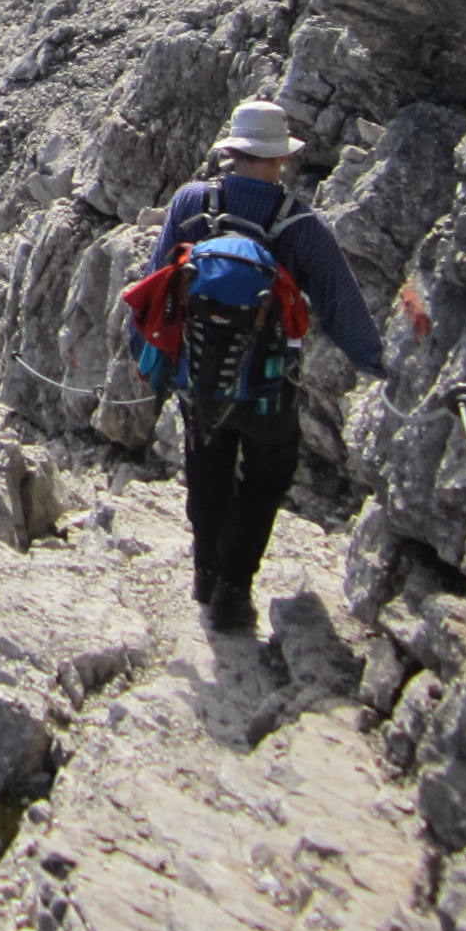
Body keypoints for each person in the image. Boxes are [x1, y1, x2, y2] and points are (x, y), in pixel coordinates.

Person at [150, 98, 388, 635]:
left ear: (232, 150)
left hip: (199, 375)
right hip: (268, 385)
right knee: (267, 474)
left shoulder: (192, 201)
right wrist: (379, 365)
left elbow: (156, 284)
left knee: (206, 470)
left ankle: (205, 575)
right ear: (281, 158)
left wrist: (156, 363)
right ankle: (235, 589)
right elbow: (341, 305)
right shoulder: (299, 222)